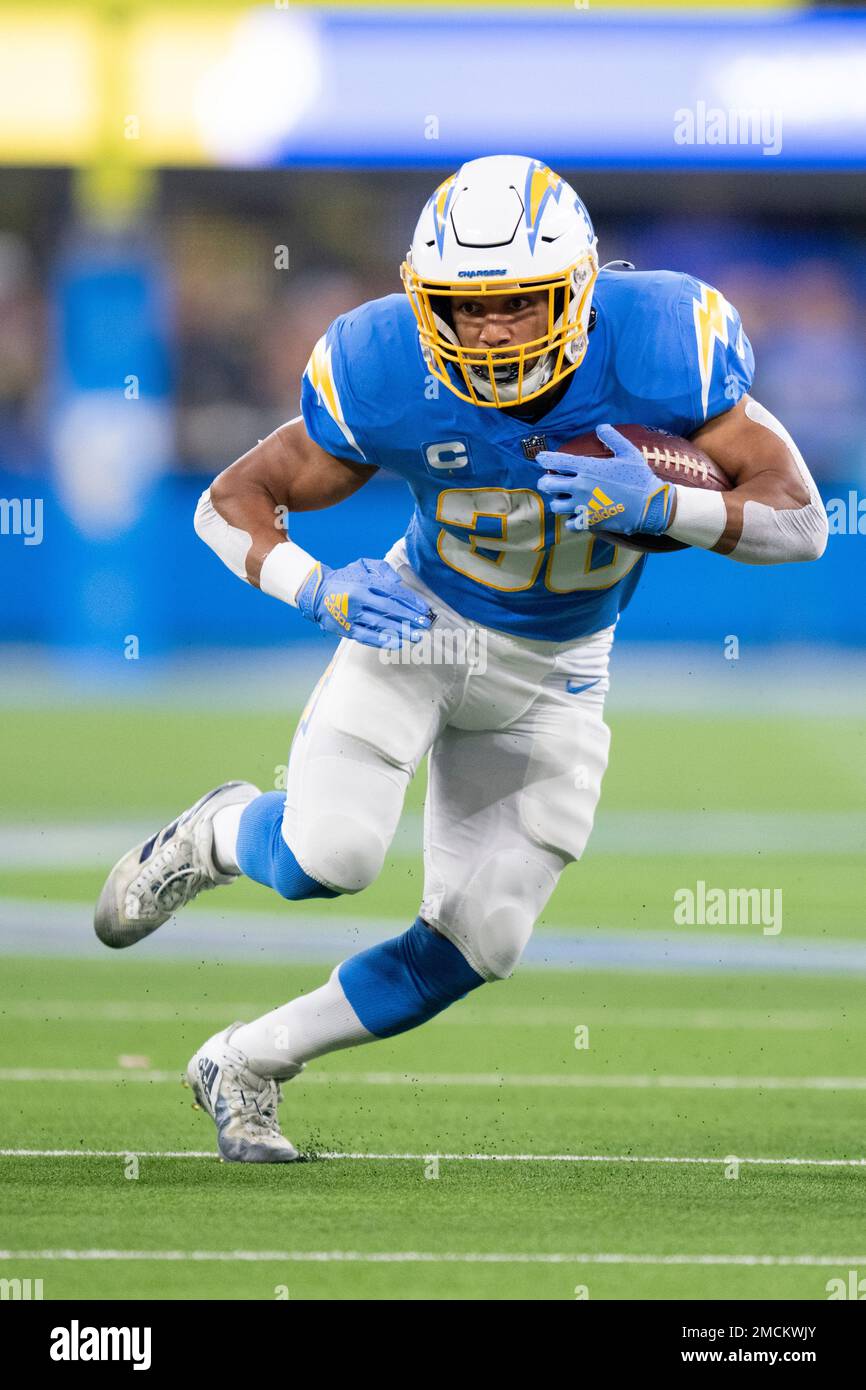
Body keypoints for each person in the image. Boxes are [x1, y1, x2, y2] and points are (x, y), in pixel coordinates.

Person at [94, 155, 828, 1162]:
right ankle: (217, 832)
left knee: (483, 938)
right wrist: (317, 586)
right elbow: (230, 499)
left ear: (574, 292)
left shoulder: (662, 343)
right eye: (461, 307)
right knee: (328, 858)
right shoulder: (384, 366)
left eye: (518, 305)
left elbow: (800, 521)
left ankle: (247, 1061)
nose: (486, 330)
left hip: (562, 666)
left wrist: (669, 508)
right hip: (419, 625)